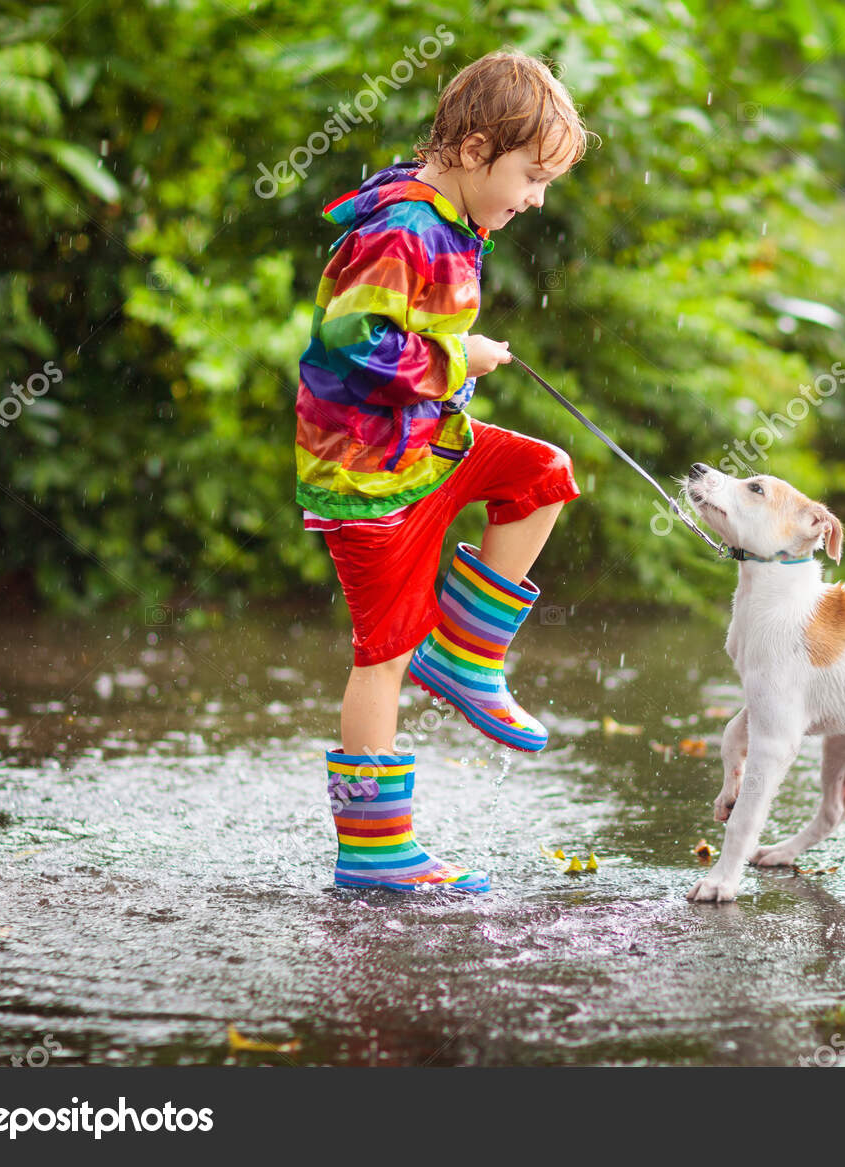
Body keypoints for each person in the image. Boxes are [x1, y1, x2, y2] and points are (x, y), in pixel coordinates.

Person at [296, 50, 592, 894]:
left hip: (427, 445)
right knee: (382, 654)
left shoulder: (443, 211)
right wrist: (460, 356)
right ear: (471, 150)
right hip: (368, 476)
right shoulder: (404, 228)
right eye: (531, 177)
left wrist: (456, 365)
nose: (535, 199)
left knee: (541, 473)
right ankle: (374, 845)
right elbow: (351, 347)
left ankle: (464, 649)